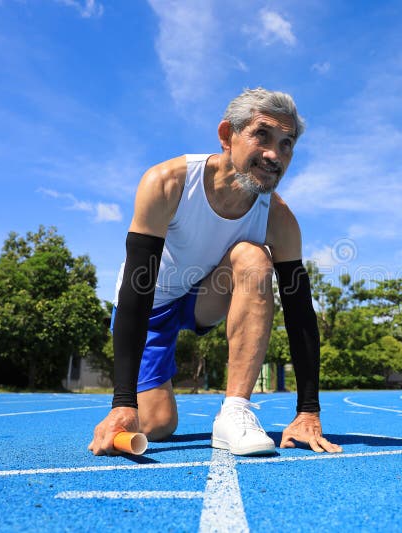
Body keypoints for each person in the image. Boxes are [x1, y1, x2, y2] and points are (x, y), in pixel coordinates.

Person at [88, 88, 342, 456]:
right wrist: (122, 403)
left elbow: (300, 313)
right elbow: (135, 289)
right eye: (262, 135)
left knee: (253, 257)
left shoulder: (280, 220)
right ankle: (137, 404)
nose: (275, 155)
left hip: (204, 298)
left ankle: (235, 412)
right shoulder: (168, 183)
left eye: (287, 144)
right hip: (151, 305)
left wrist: (308, 411)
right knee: (157, 426)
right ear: (227, 136)